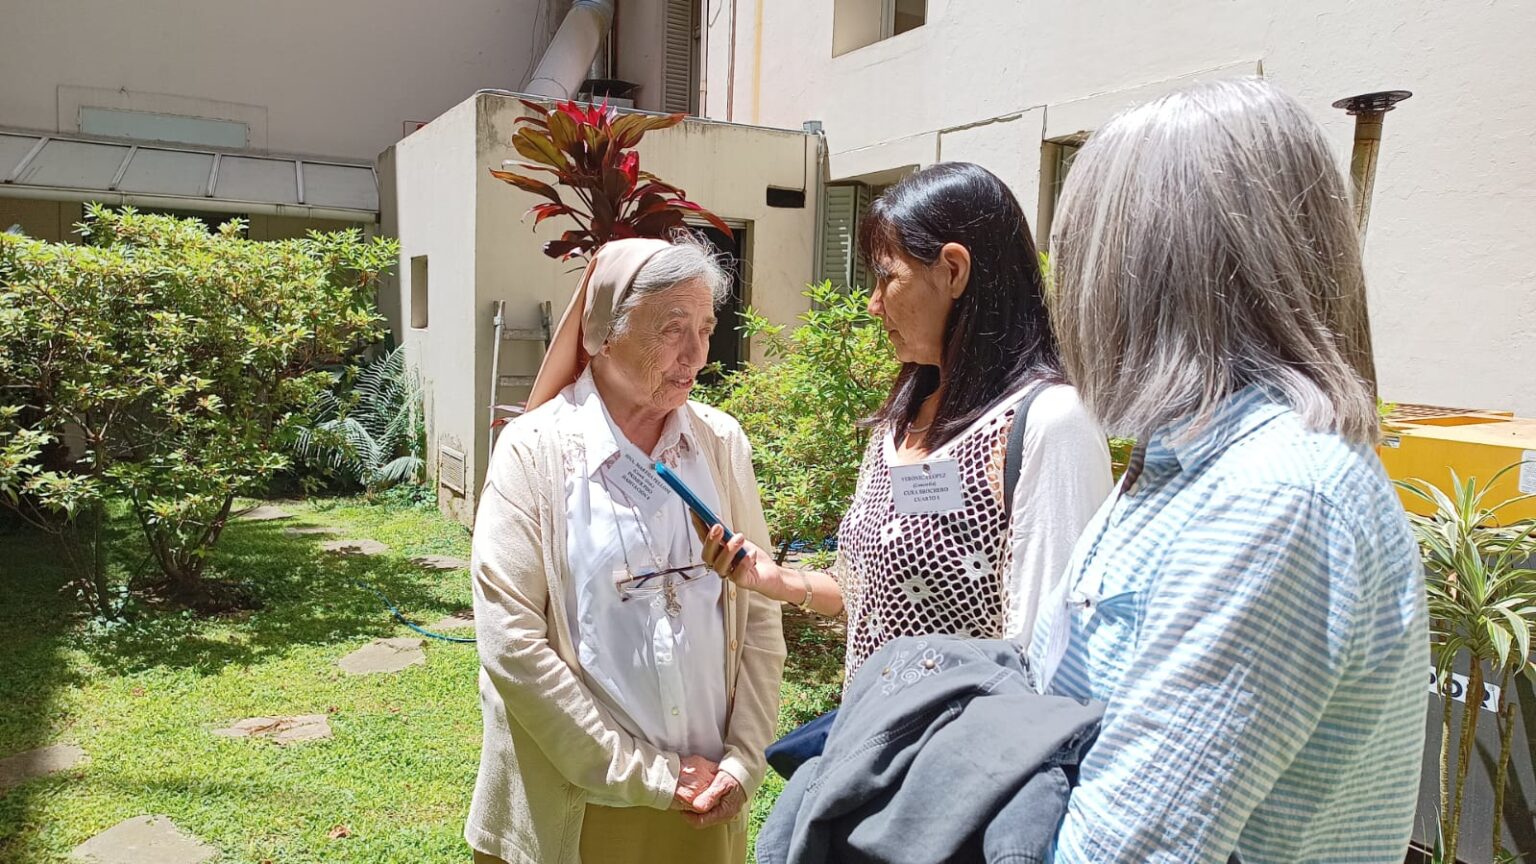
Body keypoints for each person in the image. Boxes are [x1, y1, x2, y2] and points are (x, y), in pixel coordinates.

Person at [1032, 77, 1428, 862]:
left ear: (1139, 274)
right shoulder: (1185, 464)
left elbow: (1126, 850)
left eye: (1077, 256)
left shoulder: (1274, 497)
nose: (1064, 291)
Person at [705, 162, 1112, 685]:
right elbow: (873, 596)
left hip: (961, 760)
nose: (873, 304)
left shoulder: (1052, 424)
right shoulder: (897, 422)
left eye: (887, 277)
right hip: (877, 755)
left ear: (953, 270)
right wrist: (779, 580)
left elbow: (1049, 658)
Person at [464, 236, 785, 864]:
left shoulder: (719, 442)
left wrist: (744, 760)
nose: (696, 353)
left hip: (702, 807)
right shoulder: (533, 450)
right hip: (578, 808)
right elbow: (512, 644)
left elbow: (759, 610)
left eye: (706, 327)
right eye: (672, 328)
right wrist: (649, 774)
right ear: (604, 332)